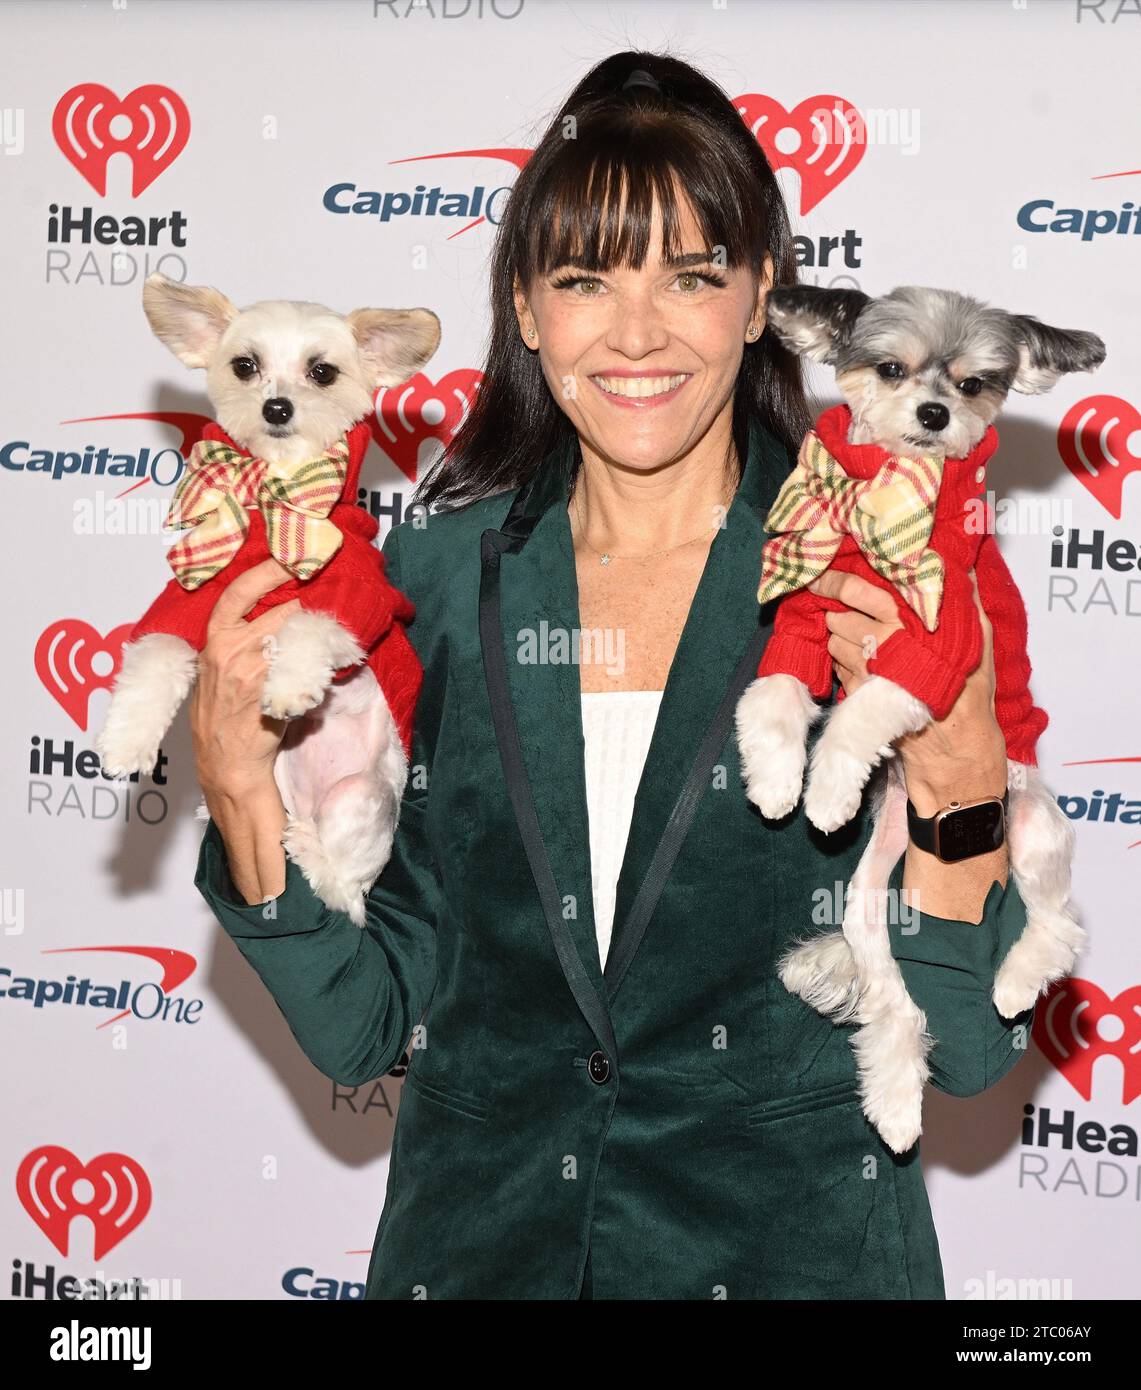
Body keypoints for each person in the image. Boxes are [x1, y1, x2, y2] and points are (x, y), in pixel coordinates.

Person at [191, 50, 1032, 1300]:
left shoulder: (868, 569)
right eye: (584, 279)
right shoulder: (430, 570)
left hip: (787, 1262)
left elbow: (964, 1052)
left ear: (759, 303)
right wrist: (240, 797)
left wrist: (962, 775)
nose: (637, 334)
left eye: (693, 276)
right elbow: (366, 1026)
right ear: (526, 310)